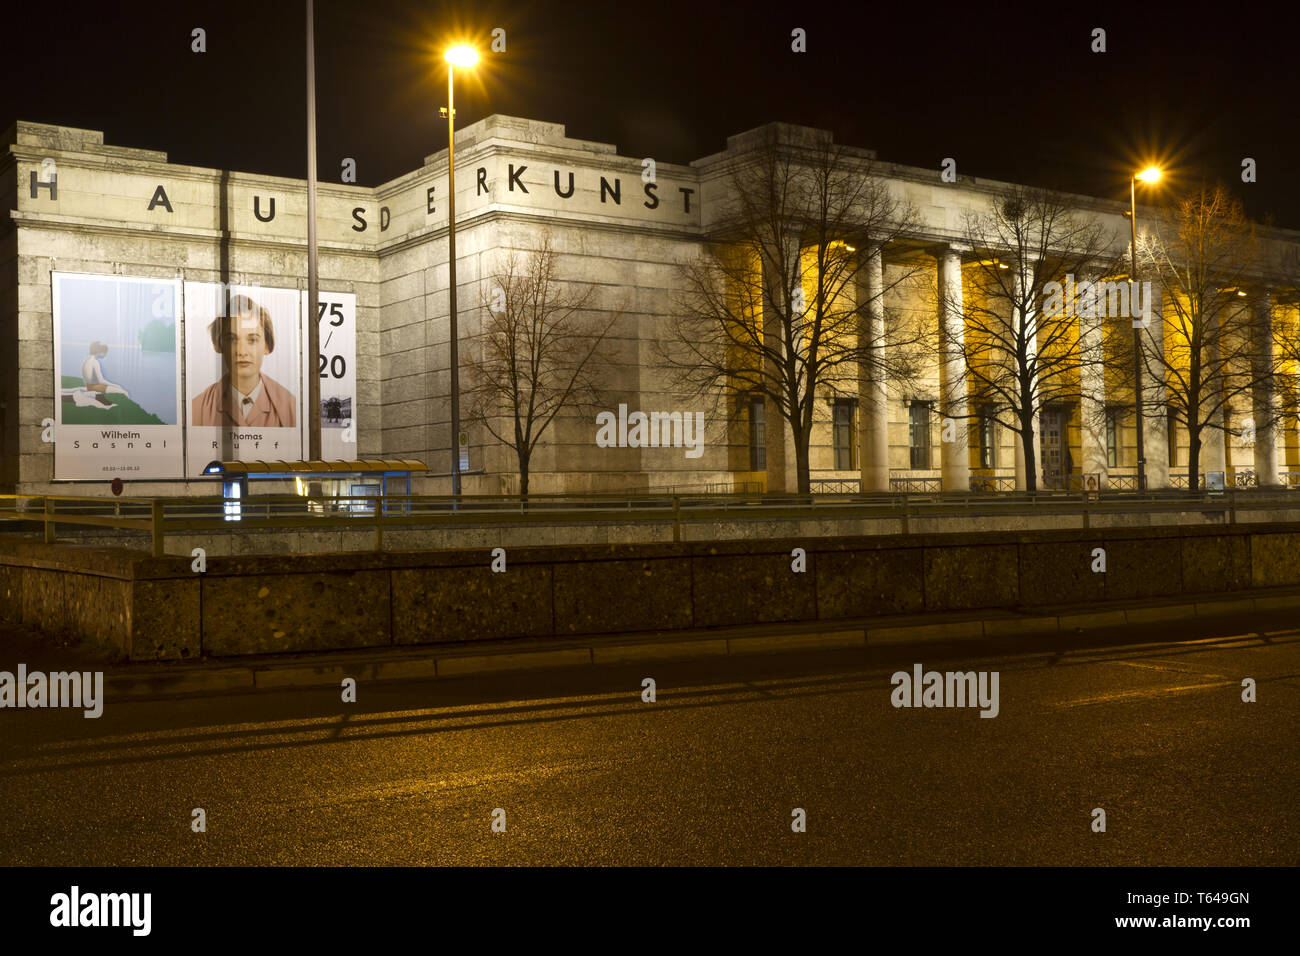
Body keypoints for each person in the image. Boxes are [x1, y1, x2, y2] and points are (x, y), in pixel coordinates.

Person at [191, 295, 297, 427]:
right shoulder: (197, 409)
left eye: (252, 340)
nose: (242, 352)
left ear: (267, 346)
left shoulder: (291, 407)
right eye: (232, 339)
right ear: (219, 345)